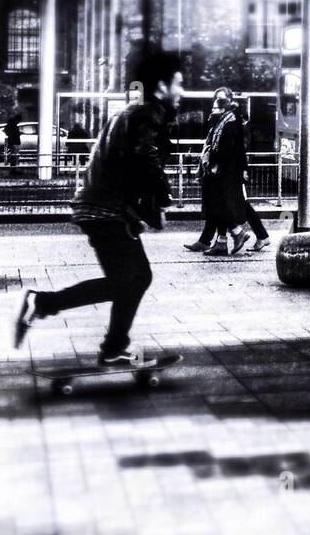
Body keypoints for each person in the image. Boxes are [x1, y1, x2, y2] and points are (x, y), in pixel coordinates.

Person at [13, 49, 182, 367]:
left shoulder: (135, 113)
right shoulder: (146, 113)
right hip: (105, 210)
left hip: (104, 208)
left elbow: (129, 162)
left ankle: (110, 343)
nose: (181, 91)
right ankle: (51, 307)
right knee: (130, 280)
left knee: (135, 278)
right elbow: (144, 158)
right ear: (162, 86)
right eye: (178, 83)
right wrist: (163, 198)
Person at [188, 89, 253, 256]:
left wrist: (215, 158)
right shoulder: (222, 122)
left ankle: (238, 233)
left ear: (224, 108)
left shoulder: (230, 123)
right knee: (217, 205)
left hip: (225, 173)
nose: (212, 110)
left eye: (215, 107)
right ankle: (221, 241)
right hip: (221, 171)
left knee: (219, 205)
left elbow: (231, 150)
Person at [235, 100, 272, 251]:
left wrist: (243, 170)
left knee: (244, 206)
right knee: (243, 206)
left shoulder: (241, 130)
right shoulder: (243, 129)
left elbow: (241, 151)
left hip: (237, 173)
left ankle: (261, 236)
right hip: (238, 172)